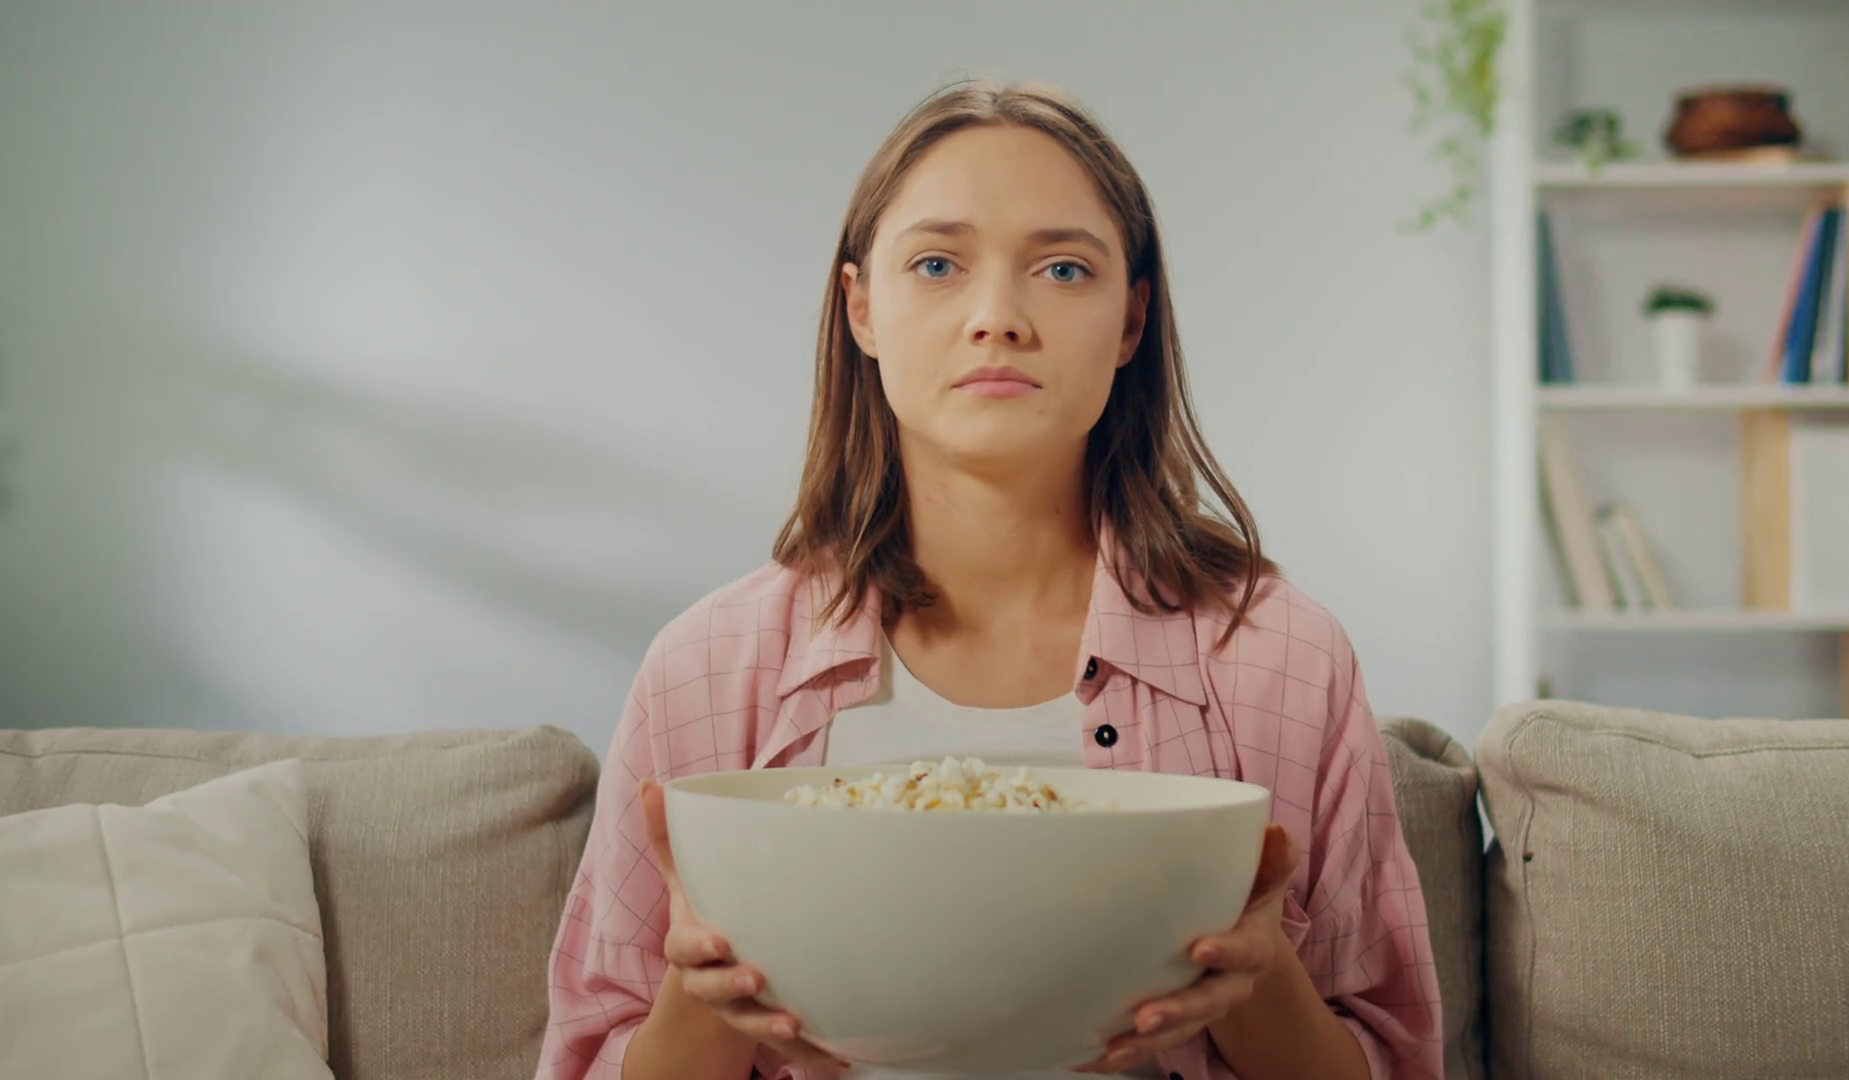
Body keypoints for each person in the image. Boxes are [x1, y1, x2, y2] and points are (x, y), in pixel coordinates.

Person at [536, 78, 1443, 1080]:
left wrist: (1258, 970)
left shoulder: (1284, 658)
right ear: (862, 308)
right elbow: (589, 1059)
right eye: (937, 264)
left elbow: (1394, 1060)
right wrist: (706, 990)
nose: (997, 318)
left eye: (1062, 268)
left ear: (1132, 320)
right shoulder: (706, 668)